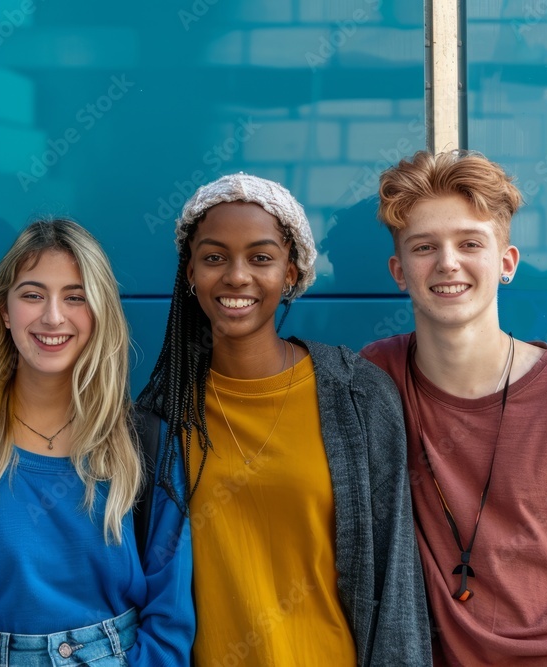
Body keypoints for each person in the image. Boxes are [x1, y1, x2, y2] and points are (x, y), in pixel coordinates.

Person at [136, 173, 431, 665]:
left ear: (291, 272)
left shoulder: (359, 396)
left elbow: (396, 583)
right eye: (214, 257)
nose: (236, 276)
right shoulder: (160, 416)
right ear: (190, 273)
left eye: (261, 257)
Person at [362, 150, 547, 665]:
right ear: (400, 271)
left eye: (470, 243)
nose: (447, 262)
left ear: (506, 263)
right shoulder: (372, 382)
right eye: (425, 247)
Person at [0, 219, 194, 666]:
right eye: (33, 295)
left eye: (75, 297)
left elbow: (170, 619)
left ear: (98, 312)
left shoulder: (147, 445)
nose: (53, 316)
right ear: (3, 310)